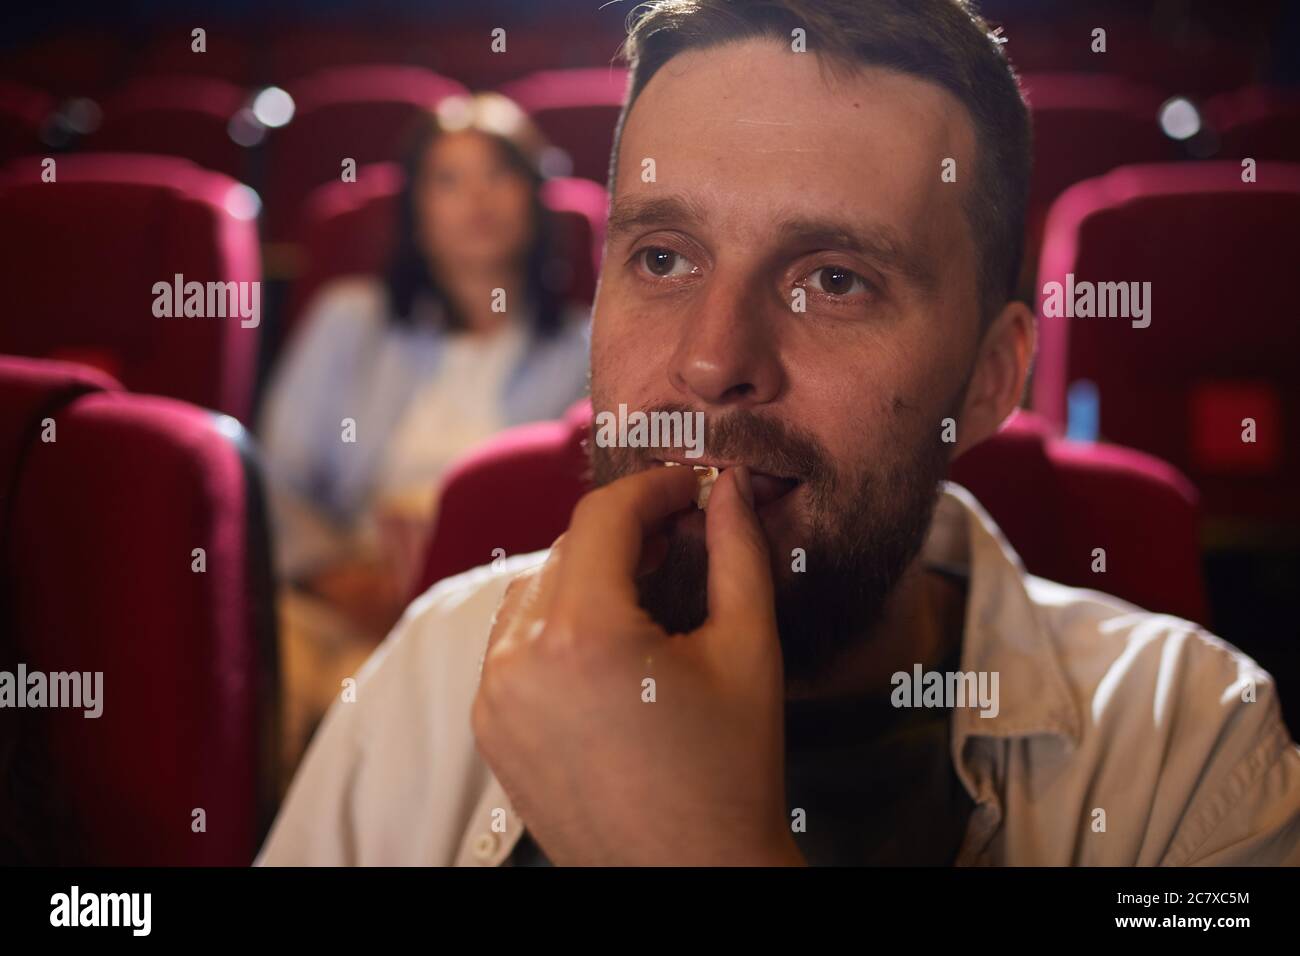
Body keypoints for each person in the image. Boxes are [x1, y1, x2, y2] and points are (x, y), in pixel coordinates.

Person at [257, 0, 1300, 865]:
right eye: (663, 258)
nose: (712, 361)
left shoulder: (1190, 748)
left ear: (987, 382)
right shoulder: (434, 663)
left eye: (833, 280)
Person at [257, 93, 590, 782]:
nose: (477, 199)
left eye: (499, 175)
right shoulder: (351, 319)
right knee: (275, 682)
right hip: (342, 581)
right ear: (418, 213)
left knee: (387, 719)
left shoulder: (589, 344)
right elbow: (273, 476)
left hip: (500, 606)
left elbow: (576, 503)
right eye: (448, 180)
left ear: (535, 199)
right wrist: (337, 577)